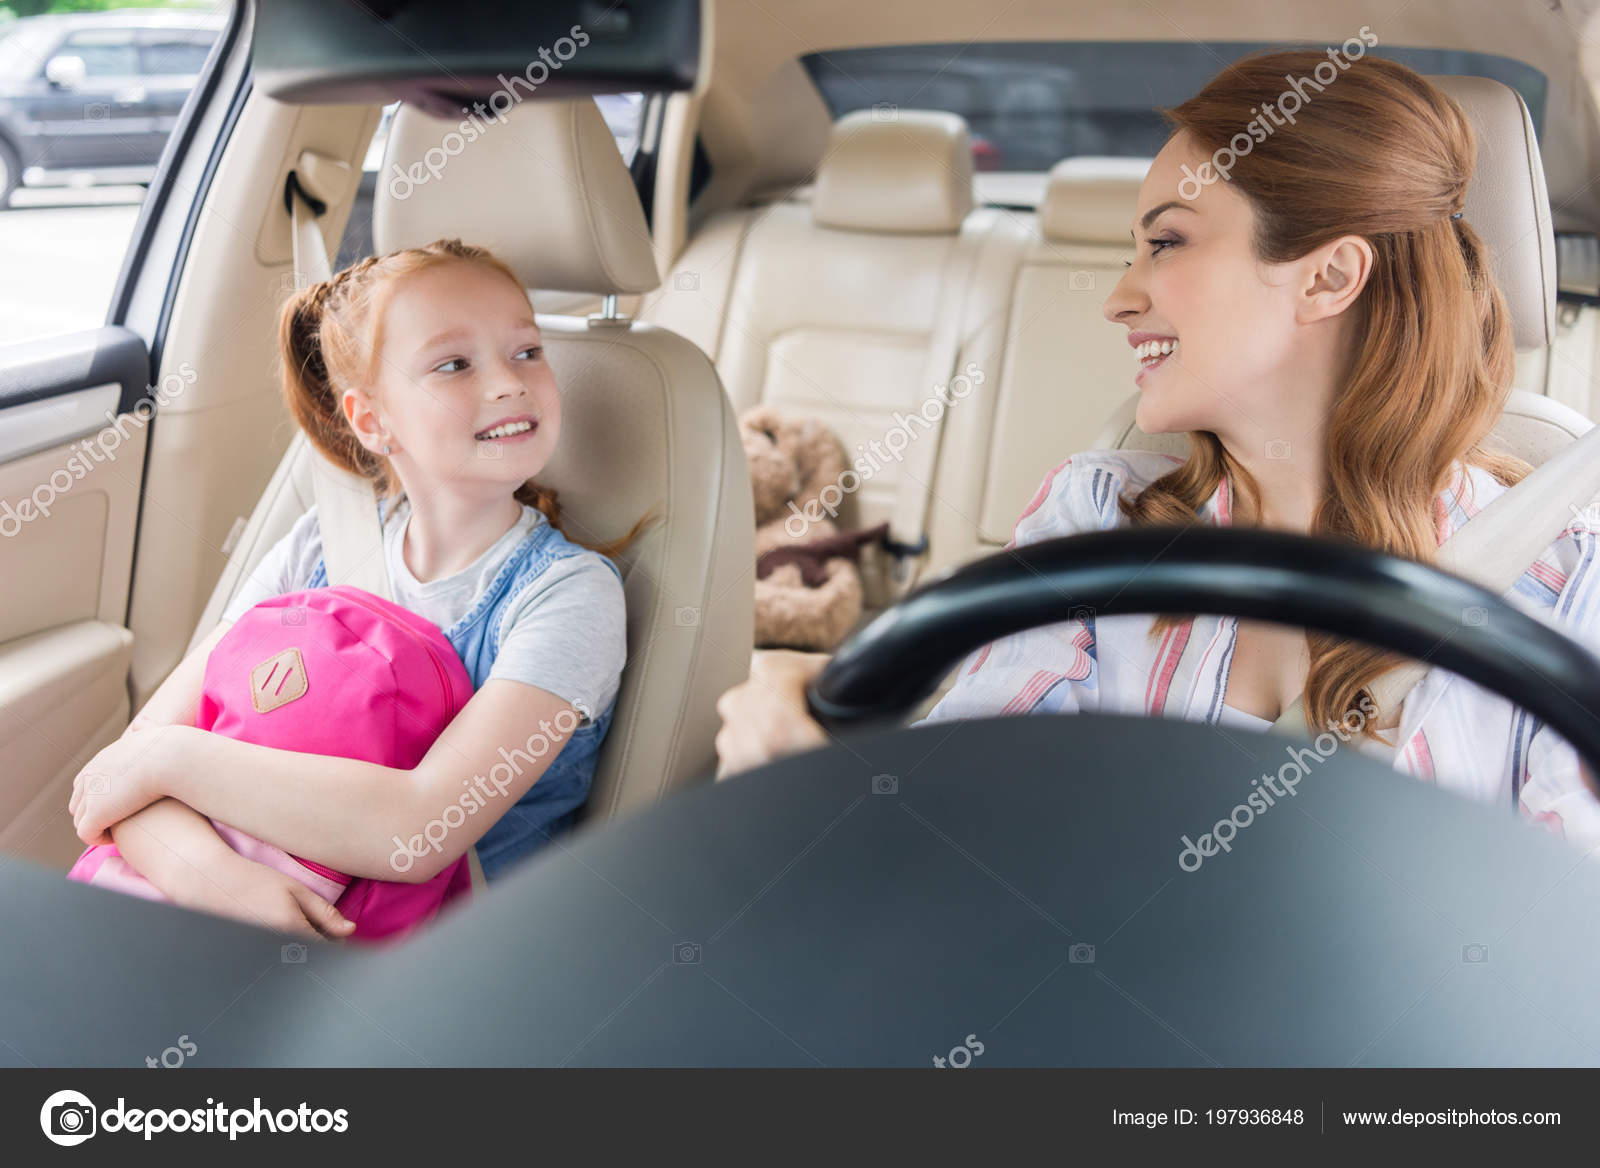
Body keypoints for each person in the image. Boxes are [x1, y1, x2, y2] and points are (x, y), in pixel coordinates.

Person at [715, 51, 1600, 847]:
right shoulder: (1093, 521)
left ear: (1328, 277)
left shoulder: (1563, 584)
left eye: (1166, 242)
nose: (1120, 298)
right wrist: (826, 784)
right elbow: (981, 825)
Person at [68, 238, 643, 937]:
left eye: (526, 351)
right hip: (215, 921)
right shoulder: (318, 545)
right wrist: (219, 882)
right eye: (454, 364)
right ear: (372, 420)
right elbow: (117, 772)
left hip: (433, 967)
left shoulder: (566, 595)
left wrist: (169, 764)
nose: (509, 383)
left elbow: (422, 829)